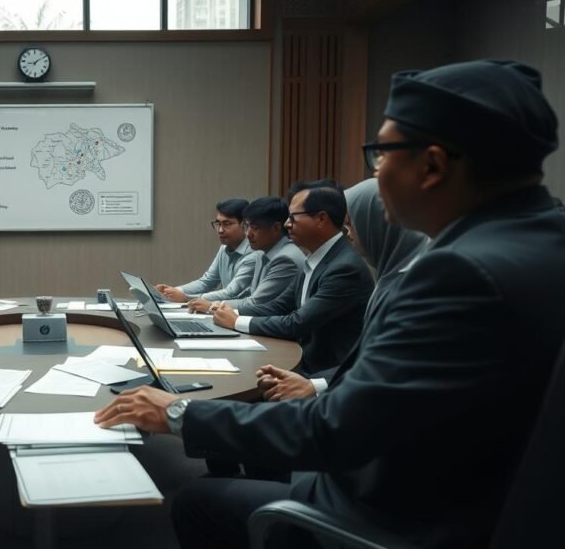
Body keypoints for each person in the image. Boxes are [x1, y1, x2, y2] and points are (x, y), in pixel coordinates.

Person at [95, 59, 565, 549]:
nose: (373, 175)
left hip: (403, 518)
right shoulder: (541, 241)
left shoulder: (456, 274)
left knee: (197, 500)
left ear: (432, 165)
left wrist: (177, 413)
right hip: (480, 502)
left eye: (381, 154)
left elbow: (335, 433)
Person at [257, 178, 429, 400]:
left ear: (377, 223)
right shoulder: (390, 278)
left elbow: (387, 368)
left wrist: (315, 385)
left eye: (351, 223)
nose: (347, 232)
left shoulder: (411, 288)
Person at [213, 186, 375, 374]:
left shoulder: (344, 268)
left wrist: (236, 322)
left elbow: (297, 323)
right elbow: (278, 306)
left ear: (321, 219)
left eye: (293, 217)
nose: (287, 224)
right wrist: (228, 312)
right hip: (303, 363)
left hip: (327, 375)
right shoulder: (315, 258)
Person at [187, 197, 303, 314]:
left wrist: (211, 305)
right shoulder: (261, 252)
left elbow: (256, 303)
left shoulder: (286, 259)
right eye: (247, 226)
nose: (248, 234)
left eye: (255, 228)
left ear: (276, 228)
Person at [155, 199, 256, 303]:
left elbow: (231, 293)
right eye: (218, 224)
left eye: (227, 224)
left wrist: (186, 298)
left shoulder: (253, 252)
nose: (220, 230)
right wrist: (172, 292)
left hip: (242, 314)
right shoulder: (224, 249)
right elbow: (207, 282)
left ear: (245, 225)